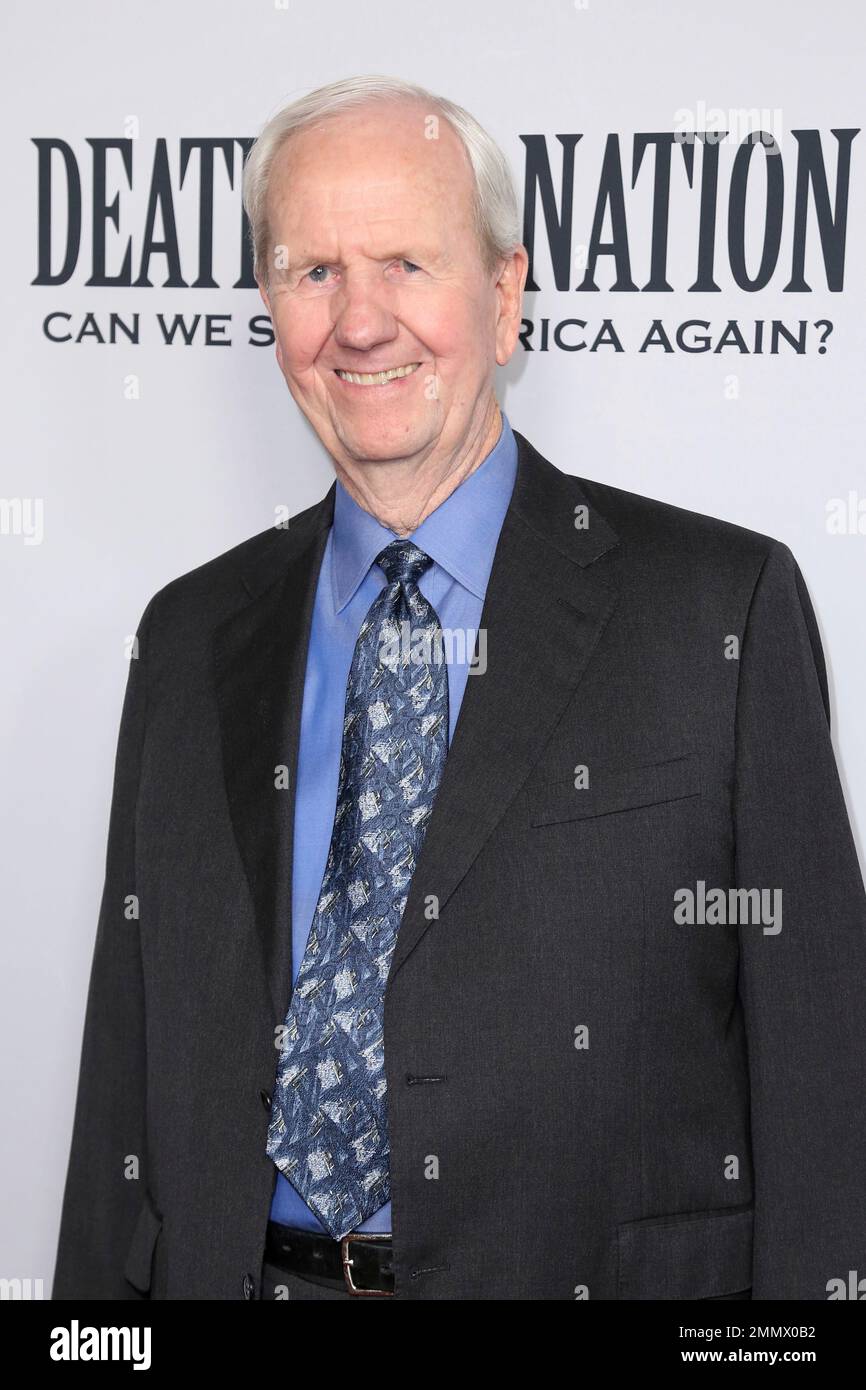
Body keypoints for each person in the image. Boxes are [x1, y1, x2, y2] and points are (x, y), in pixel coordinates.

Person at [53, 74, 866, 1301]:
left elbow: (822, 1087)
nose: (360, 321)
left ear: (503, 296)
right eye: (311, 271)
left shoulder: (718, 608)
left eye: (406, 265)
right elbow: (124, 1075)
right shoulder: (186, 634)